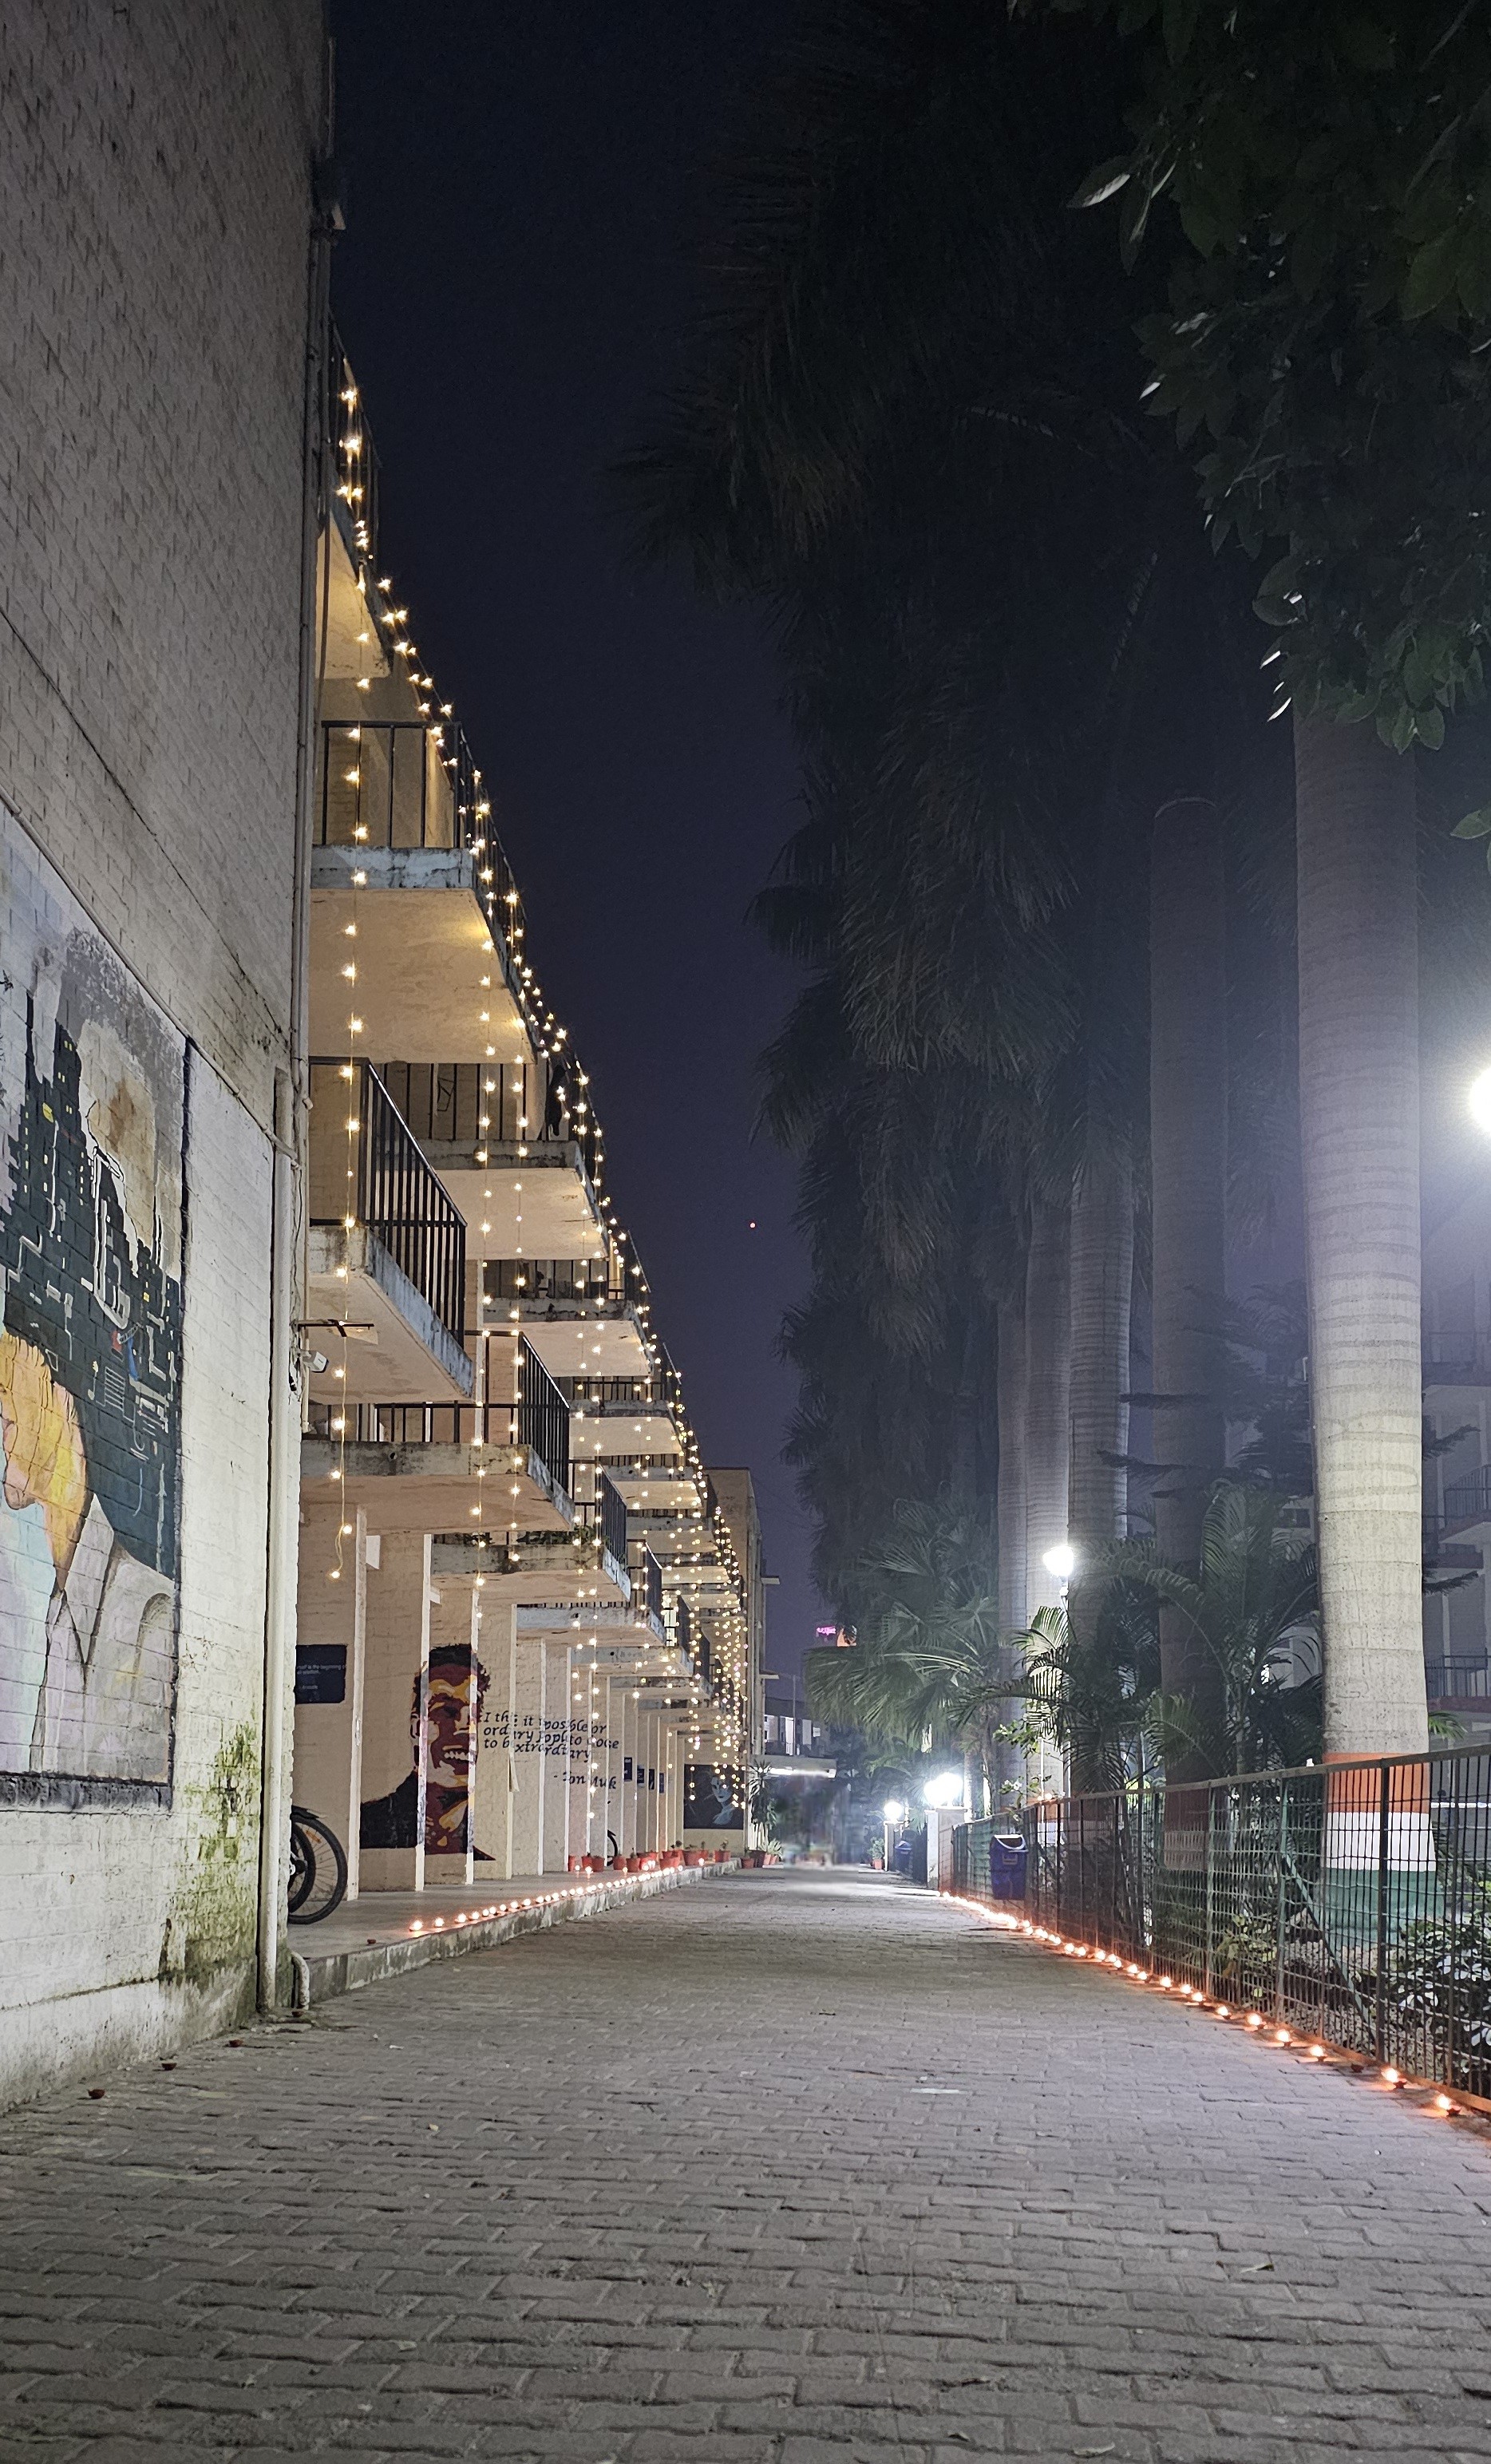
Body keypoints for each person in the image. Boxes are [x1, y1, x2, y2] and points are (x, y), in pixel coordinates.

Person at [0, 1330, 172, 1781]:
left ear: (62, 1401)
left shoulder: (152, 1618)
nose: (3, 1419)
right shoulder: (60, 1616)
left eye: (8, 1392)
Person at [359, 1643, 490, 1853]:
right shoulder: (367, 1827)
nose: (467, 1727)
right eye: (447, 1711)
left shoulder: (476, 1858)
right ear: (417, 1729)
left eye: (475, 1713)